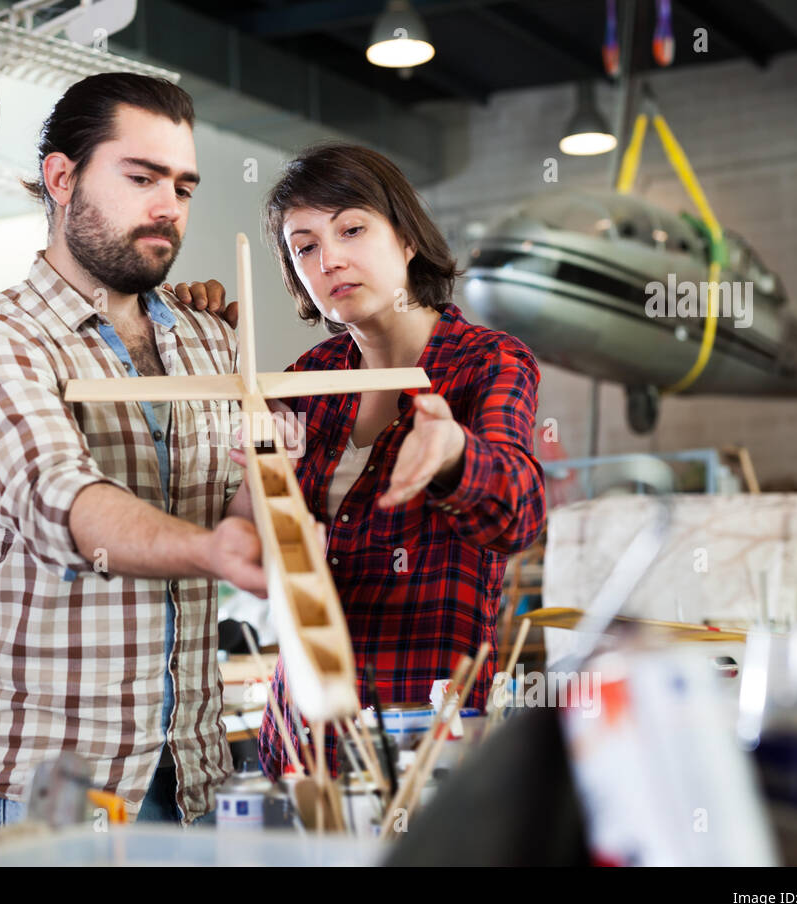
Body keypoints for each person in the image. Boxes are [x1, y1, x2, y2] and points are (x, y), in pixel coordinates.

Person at [0, 72, 265, 829]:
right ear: (61, 177)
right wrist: (216, 552)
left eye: (183, 187)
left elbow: (240, 497)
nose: (167, 208)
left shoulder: (211, 338)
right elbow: (62, 501)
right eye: (141, 177)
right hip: (48, 794)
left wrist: (268, 495)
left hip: (195, 779)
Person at [175, 143, 546, 778]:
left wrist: (454, 454)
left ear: (405, 239)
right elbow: (247, 537)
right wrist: (267, 478)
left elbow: (517, 519)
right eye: (306, 246)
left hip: (423, 743)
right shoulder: (306, 379)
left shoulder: (488, 362)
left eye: (352, 228)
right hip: (301, 742)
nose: (331, 259)